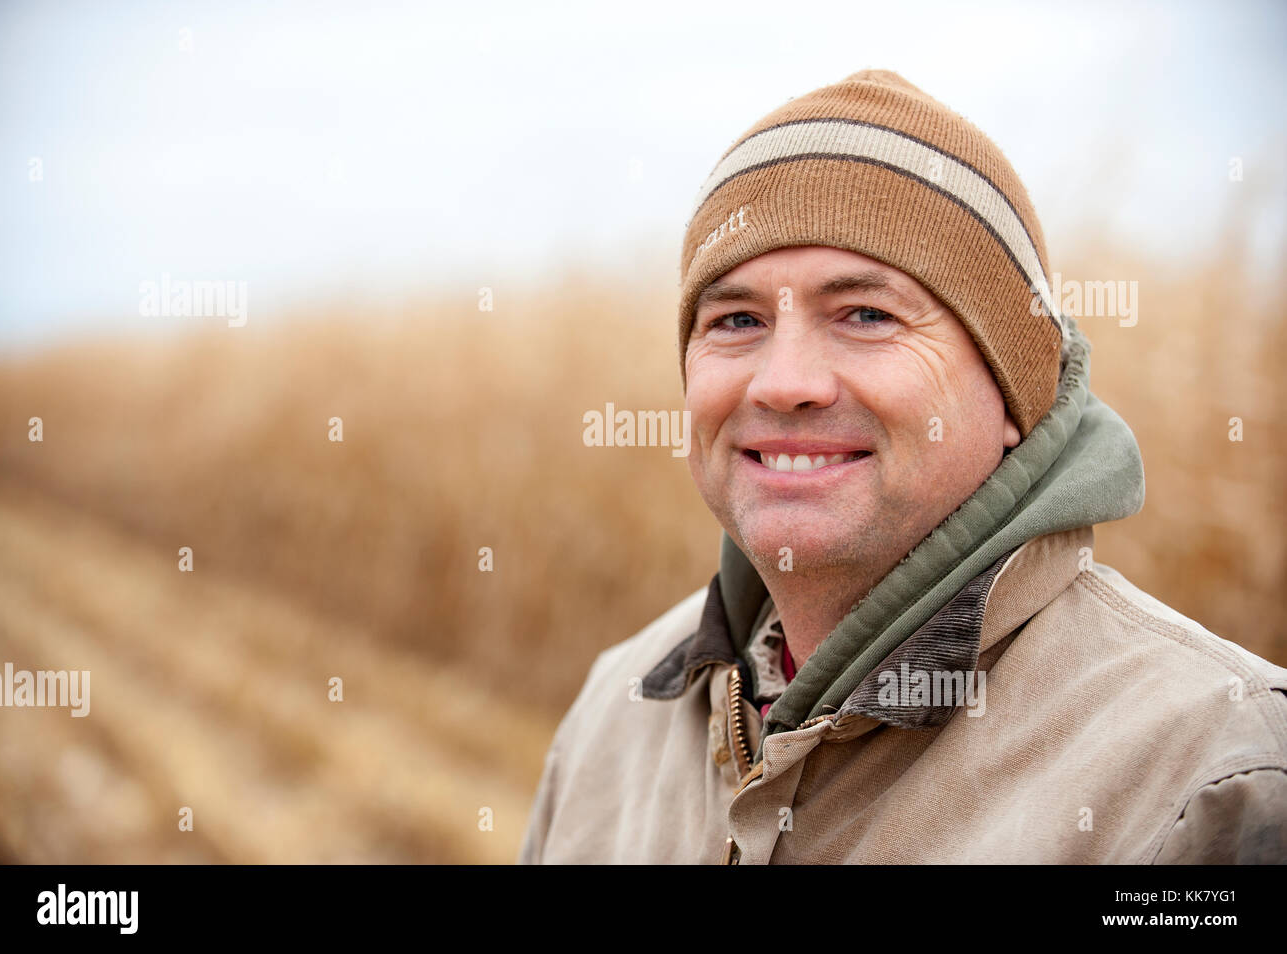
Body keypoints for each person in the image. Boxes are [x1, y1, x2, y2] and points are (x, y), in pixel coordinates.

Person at [517, 69, 1287, 864]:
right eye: (737, 319)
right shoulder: (617, 710)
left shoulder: (1214, 777)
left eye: (866, 315)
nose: (784, 382)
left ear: (1016, 394)